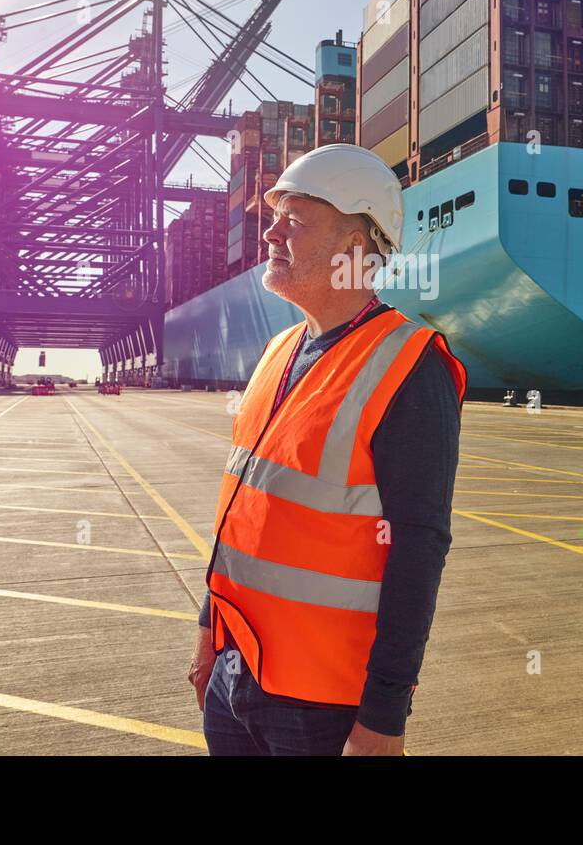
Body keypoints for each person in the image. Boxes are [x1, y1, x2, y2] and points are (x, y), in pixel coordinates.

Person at [185, 144, 466, 756]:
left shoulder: (410, 365)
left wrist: (385, 718)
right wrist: (210, 630)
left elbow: (418, 550)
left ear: (355, 244)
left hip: (322, 705)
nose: (270, 232)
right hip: (236, 672)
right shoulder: (279, 351)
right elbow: (240, 514)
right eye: (273, 215)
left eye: (295, 218)